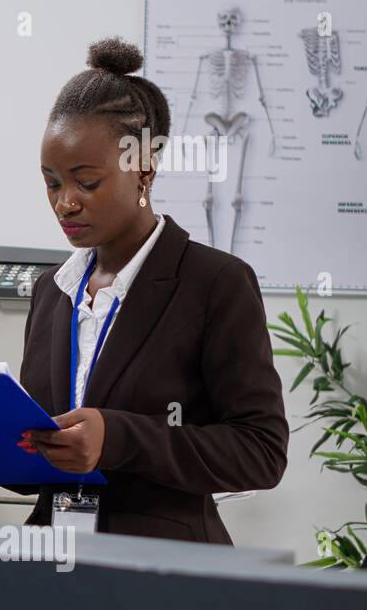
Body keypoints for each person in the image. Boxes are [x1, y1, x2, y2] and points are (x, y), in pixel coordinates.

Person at [14, 37, 288, 544]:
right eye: (52, 183)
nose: (65, 203)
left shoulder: (215, 284)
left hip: (164, 574)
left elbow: (261, 452)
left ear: (144, 169)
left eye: (86, 182)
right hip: (53, 562)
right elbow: (39, 460)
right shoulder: (52, 291)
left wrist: (117, 438)